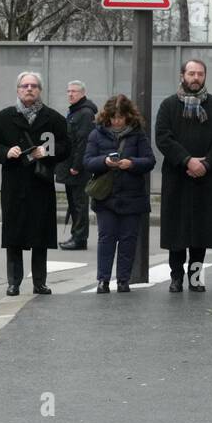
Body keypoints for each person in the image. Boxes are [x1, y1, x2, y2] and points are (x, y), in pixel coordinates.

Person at [0, 71, 69, 296]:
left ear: (40, 90)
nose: (29, 89)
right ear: (18, 89)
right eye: (25, 86)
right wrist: (6, 151)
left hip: (41, 184)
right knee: (14, 235)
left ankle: (39, 282)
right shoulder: (4, 117)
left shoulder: (53, 118)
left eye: (33, 86)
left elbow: (66, 147)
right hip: (14, 184)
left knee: (40, 235)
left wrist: (48, 151)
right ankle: (14, 282)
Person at [155, 58, 212, 292]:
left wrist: (206, 164)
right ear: (182, 76)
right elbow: (162, 137)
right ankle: (176, 277)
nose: (195, 78)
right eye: (191, 73)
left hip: (205, 178)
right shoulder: (169, 105)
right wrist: (187, 160)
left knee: (201, 231)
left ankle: (196, 278)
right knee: (177, 231)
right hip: (177, 176)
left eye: (200, 74)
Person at [84, 93, 155, 293]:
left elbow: (149, 160)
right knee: (106, 238)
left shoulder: (137, 134)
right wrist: (105, 162)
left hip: (132, 196)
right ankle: (103, 280)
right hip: (106, 196)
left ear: (128, 116)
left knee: (128, 239)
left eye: (120, 117)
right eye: (113, 117)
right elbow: (87, 162)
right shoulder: (96, 134)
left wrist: (132, 163)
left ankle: (123, 279)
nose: (116, 121)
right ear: (107, 116)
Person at [60, 80, 98, 251]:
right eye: (68, 91)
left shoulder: (84, 113)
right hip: (71, 166)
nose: (70, 94)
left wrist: (76, 166)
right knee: (73, 202)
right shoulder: (75, 111)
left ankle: (80, 238)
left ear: (82, 93)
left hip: (78, 168)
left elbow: (83, 141)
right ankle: (76, 236)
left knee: (79, 203)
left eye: (74, 91)